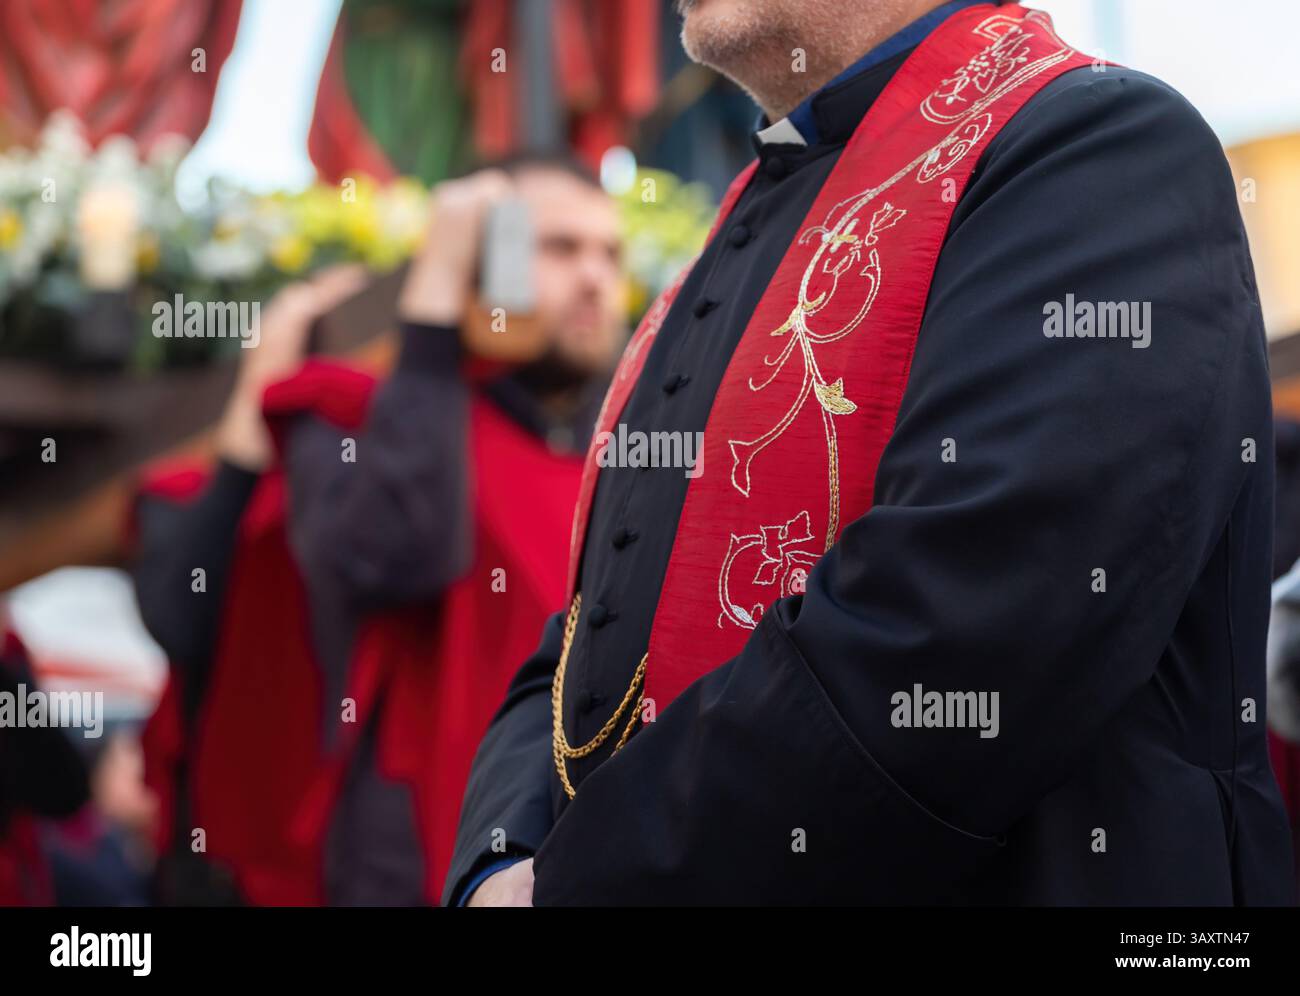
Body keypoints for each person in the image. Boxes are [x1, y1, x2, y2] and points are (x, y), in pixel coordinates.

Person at [446, 0, 1296, 905]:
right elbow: (589, 628)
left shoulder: (1099, 144)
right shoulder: (755, 205)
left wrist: (575, 887)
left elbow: (962, 633)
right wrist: (498, 861)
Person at [135, 153, 624, 905]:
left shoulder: (619, 440)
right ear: (478, 265)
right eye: (559, 248)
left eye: (610, 253)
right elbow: (402, 553)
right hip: (404, 865)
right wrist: (433, 303)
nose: (594, 276)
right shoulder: (354, 416)